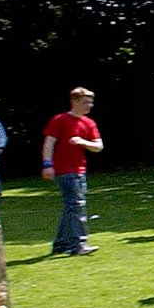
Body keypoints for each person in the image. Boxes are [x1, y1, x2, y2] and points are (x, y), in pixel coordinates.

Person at [41, 87, 103, 256]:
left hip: (79, 169)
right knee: (76, 205)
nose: (89, 105)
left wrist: (83, 142)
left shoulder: (89, 123)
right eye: (85, 102)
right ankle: (78, 244)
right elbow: (49, 143)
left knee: (71, 206)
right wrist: (47, 164)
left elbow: (98, 146)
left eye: (91, 102)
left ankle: (60, 244)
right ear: (74, 101)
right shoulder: (60, 120)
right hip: (64, 170)